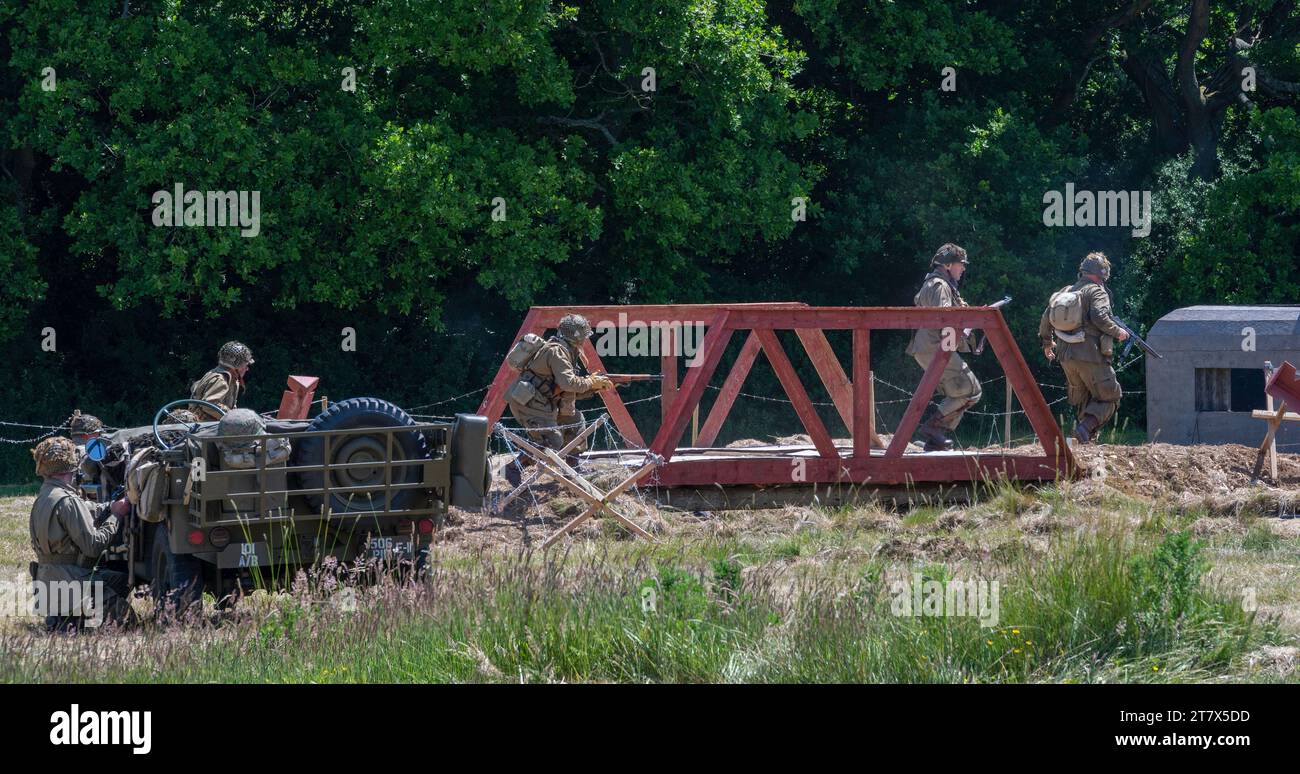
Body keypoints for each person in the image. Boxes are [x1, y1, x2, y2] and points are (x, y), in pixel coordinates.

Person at [28, 436, 131, 630]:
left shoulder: (43, 498)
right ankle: (79, 617)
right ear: (72, 467)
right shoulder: (68, 501)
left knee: (119, 579)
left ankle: (67, 617)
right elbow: (93, 546)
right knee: (129, 623)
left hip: (49, 582)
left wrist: (108, 506)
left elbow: (83, 509)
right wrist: (116, 515)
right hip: (72, 582)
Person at [504, 314, 614, 485]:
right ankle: (513, 468)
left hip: (542, 401)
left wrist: (595, 387)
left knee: (575, 421)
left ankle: (573, 467)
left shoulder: (565, 350)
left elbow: (564, 390)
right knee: (552, 440)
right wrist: (591, 381)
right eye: (584, 335)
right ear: (576, 336)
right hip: (529, 403)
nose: (585, 338)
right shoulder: (558, 352)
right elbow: (568, 383)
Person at [1039, 252, 1129, 444]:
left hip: (1065, 356)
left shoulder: (1066, 291)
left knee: (1085, 399)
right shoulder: (1096, 291)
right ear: (1102, 273)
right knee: (1111, 396)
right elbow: (1099, 316)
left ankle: (1085, 440)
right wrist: (1117, 332)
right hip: (1090, 355)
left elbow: (1046, 318)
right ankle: (1084, 430)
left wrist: (1047, 343)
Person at [904, 243, 983, 451]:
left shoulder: (935, 284)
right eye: (961, 264)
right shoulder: (940, 285)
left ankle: (935, 439)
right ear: (948, 265)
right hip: (935, 348)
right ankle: (933, 428)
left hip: (929, 347)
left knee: (962, 391)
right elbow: (945, 320)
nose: (963, 268)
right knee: (970, 389)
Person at [190, 341, 254, 420]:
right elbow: (209, 404)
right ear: (237, 365)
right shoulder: (221, 379)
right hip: (207, 427)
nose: (247, 369)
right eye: (246, 365)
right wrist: (233, 417)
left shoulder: (224, 377)